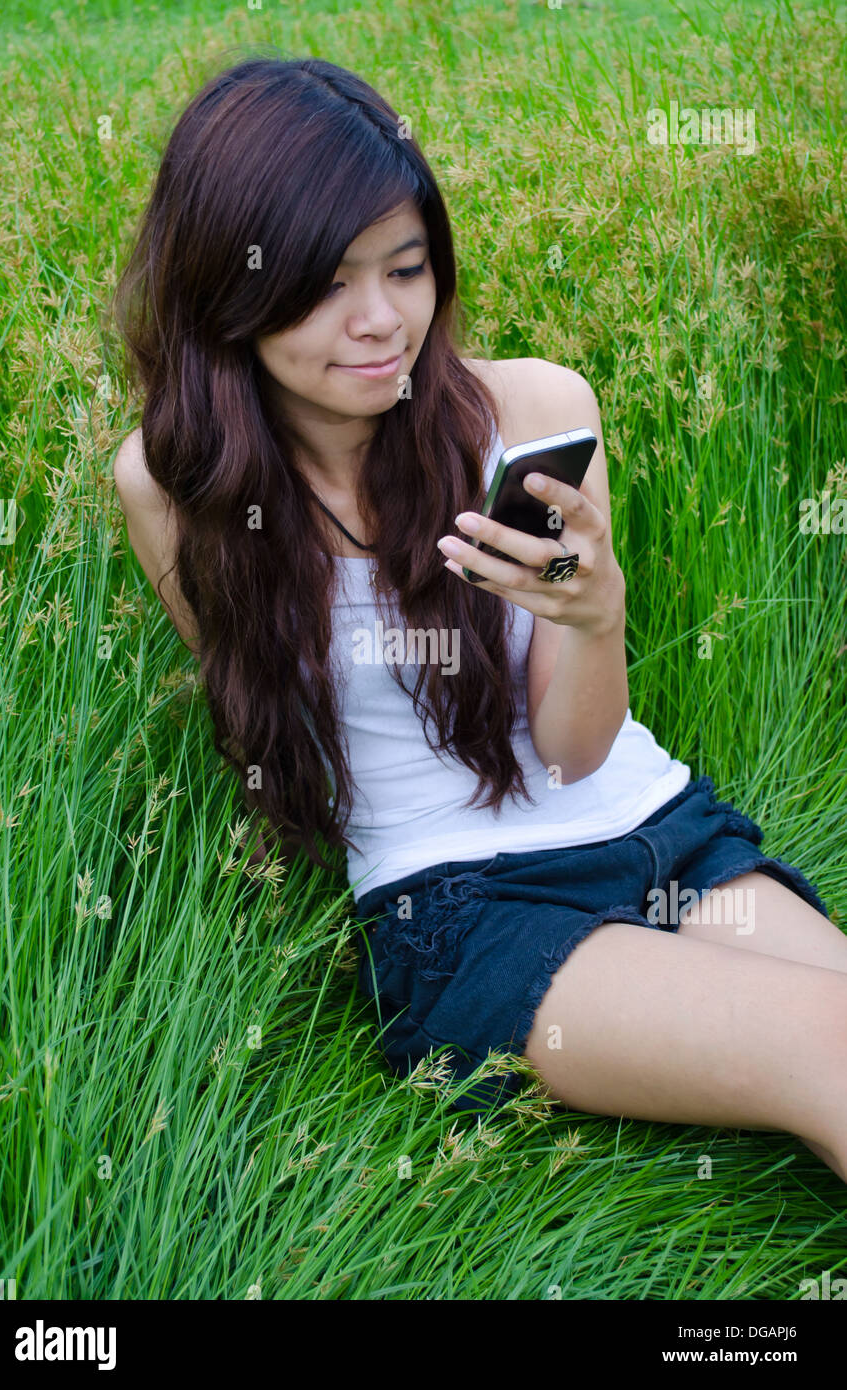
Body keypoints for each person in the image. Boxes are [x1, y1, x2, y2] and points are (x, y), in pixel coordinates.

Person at [110, 53, 847, 1180]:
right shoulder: (174, 488)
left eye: (405, 270)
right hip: (457, 904)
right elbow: (267, 711)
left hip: (658, 830)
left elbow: (575, 748)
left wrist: (593, 619)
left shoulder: (539, 409)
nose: (378, 322)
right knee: (825, 1046)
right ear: (229, 286)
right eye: (325, 283)